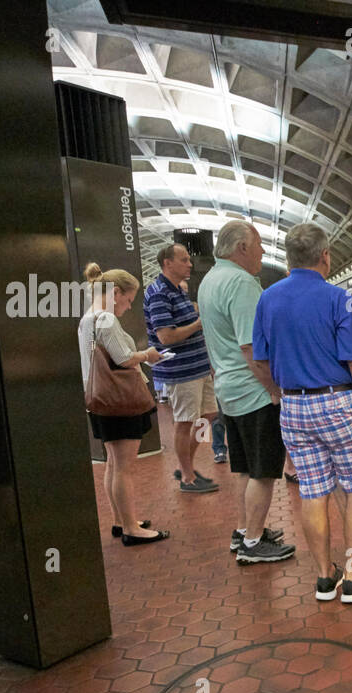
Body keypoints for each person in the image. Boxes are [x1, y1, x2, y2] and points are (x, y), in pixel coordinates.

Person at [253, 223, 352, 604]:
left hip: (295, 407)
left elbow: (259, 361)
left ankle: (324, 579)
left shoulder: (268, 299)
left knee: (313, 492)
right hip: (341, 402)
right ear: (325, 256)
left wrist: (282, 397)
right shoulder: (341, 298)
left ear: (289, 259)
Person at [198, 221, 295, 565]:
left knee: (244, 468)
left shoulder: (209, 280)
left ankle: (244, 530)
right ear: (241, 248)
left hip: (229, 389)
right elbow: (252, 349)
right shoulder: (241, 284)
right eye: (258, 245)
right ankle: (253, 544)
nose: (263, 252)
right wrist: (275, 389)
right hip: (255, 394)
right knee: (264, 472)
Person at [77, 263, 169, 546]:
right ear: (115, 292)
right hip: (119, 402)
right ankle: (132, 528)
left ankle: (121, 520)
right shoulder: (105, 319)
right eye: (129, 299)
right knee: (124, 467)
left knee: (113, 464)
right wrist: (148, 355)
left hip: (100, 402)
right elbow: (124, 357)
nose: (129, 307)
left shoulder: (87, 318)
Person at [144, 243, 220, 493]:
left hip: (198, 368)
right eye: (184, 260)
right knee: (185, 421)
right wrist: (198, 324)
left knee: (208, 415)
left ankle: (184, 464)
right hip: (181, 370)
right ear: (168, 263)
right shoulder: (158, 294)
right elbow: (165, 337)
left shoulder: (177, 291)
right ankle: (187, 476)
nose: (190, 264)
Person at [182, 277, 227, 465]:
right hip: (190, 375)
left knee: (213, 414)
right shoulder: (181, 317)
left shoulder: (202, 314)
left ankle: (190, 462)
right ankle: (187, 466)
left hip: (211, 373)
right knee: (188, 422)